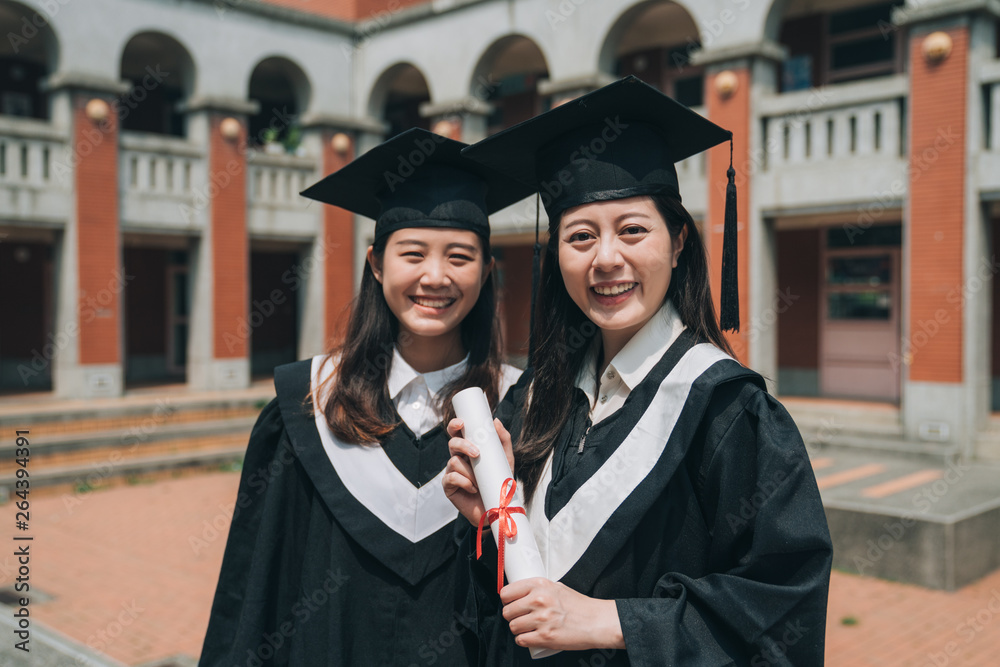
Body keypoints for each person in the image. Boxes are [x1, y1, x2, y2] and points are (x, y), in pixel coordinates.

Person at [443, 76, 833, 666]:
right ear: (556, 260)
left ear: (678, 242)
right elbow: (501, 615)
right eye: (580, 236)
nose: (606, 259)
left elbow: (783, 606)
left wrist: (613, 620)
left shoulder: (727, 411)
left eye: (632, 230)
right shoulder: (531, 402)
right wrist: (492, 525)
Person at [199, 128, 534, 667]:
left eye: (460, 256)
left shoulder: (526, 409)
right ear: (377, 265)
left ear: (487, 271)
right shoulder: (307, 407)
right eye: (413, 253)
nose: (435, 276)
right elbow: (257, 586)